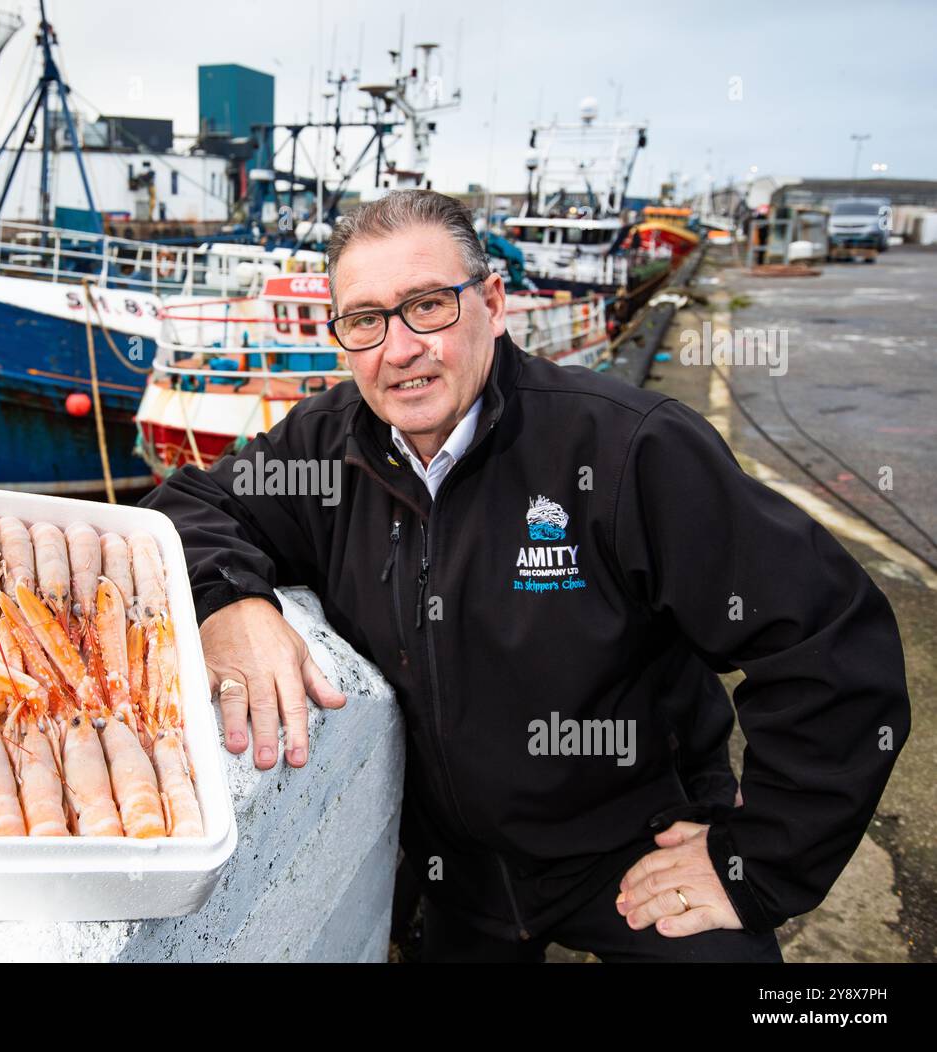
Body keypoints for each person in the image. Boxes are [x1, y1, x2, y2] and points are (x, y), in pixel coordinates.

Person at [138, 189, 910, 962]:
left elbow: (830, 638)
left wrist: (756, 863)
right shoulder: (331, 447)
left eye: (428, 305)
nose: (398, 348)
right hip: (456, 873)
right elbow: (187, 504)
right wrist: (231, 603)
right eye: (365, 320)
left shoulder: (625, 451)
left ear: (495, 303)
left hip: (631, 849)